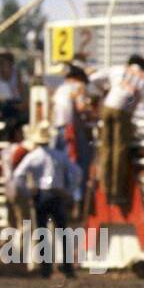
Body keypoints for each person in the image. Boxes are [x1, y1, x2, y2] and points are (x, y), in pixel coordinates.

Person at [11, 122, 84, 279]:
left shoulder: (33, 156)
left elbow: (18, 176)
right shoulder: (59, 155)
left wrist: (28, 192)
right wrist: (69, 191)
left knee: (42, 231)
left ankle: (46, 268)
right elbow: (77, 172)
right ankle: (67, 266)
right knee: (62, 232)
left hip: (41, 195)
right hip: (57, 194)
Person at [92, 54, 144, 212]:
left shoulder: (116, 70)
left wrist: (105, 90)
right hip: (123, 112)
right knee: (119, 151)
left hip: (108, 107)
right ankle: (116, 191)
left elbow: (93, 78)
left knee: (106, 149)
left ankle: (104, 186)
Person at [51, 63, 94, 203]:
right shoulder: (79, 87)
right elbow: (81, 108)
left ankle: (62, 196)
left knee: (61, 162)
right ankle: (77, 197)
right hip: (71, 130)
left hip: (58, 129)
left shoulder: (59, 89)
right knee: (79, 162)